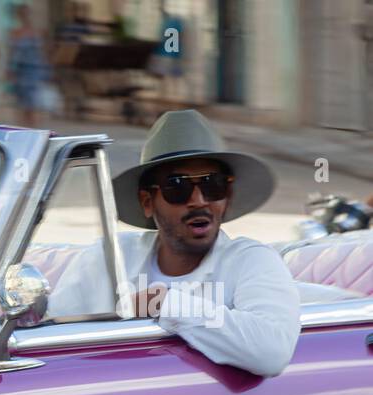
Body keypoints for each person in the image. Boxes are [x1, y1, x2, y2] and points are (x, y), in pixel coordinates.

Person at [46, 110, 300, 378]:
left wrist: (164, 302)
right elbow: (49, 338)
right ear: (147, 202)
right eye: (177, 186)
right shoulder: (107, 257)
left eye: (212, 185)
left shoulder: (252, 260)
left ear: (228, 196)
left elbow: (271, 352)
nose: (199, 200)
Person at [7, 3, 50, 127]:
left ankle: (34, 129)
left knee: (34, 103)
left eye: (26, 13)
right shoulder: (14, 32)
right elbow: (11, 52)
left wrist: (47, 70)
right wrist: (9, 69)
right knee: (21, 103)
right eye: (21, 14)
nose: (24, 16)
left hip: (35, 70)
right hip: (21, 70)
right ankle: (23, 129)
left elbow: (45, 52)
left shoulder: (38, 32)